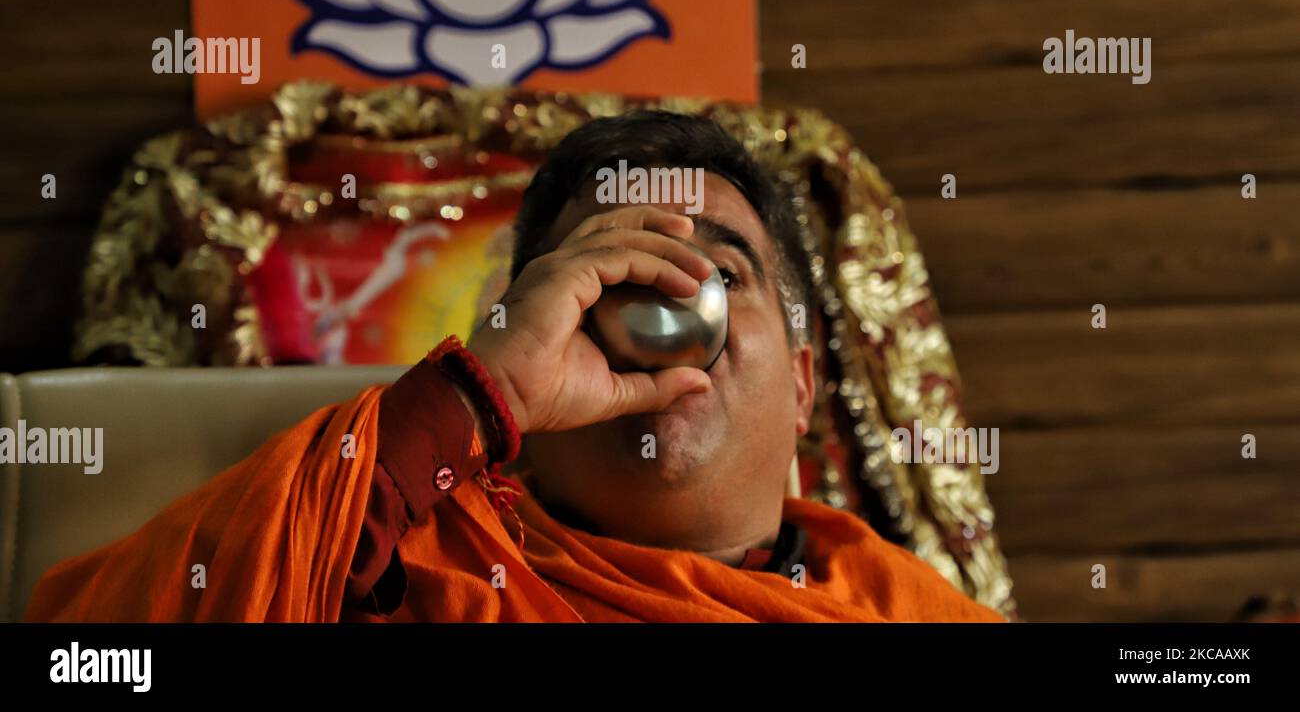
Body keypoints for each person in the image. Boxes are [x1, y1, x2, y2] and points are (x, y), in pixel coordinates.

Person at [26, 111, 1003, 622]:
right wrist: (471, 396)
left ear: (800, 381)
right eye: (610, 260)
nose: (666, 290)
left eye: (721, 266)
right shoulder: (389, 554)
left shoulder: (905, 611)